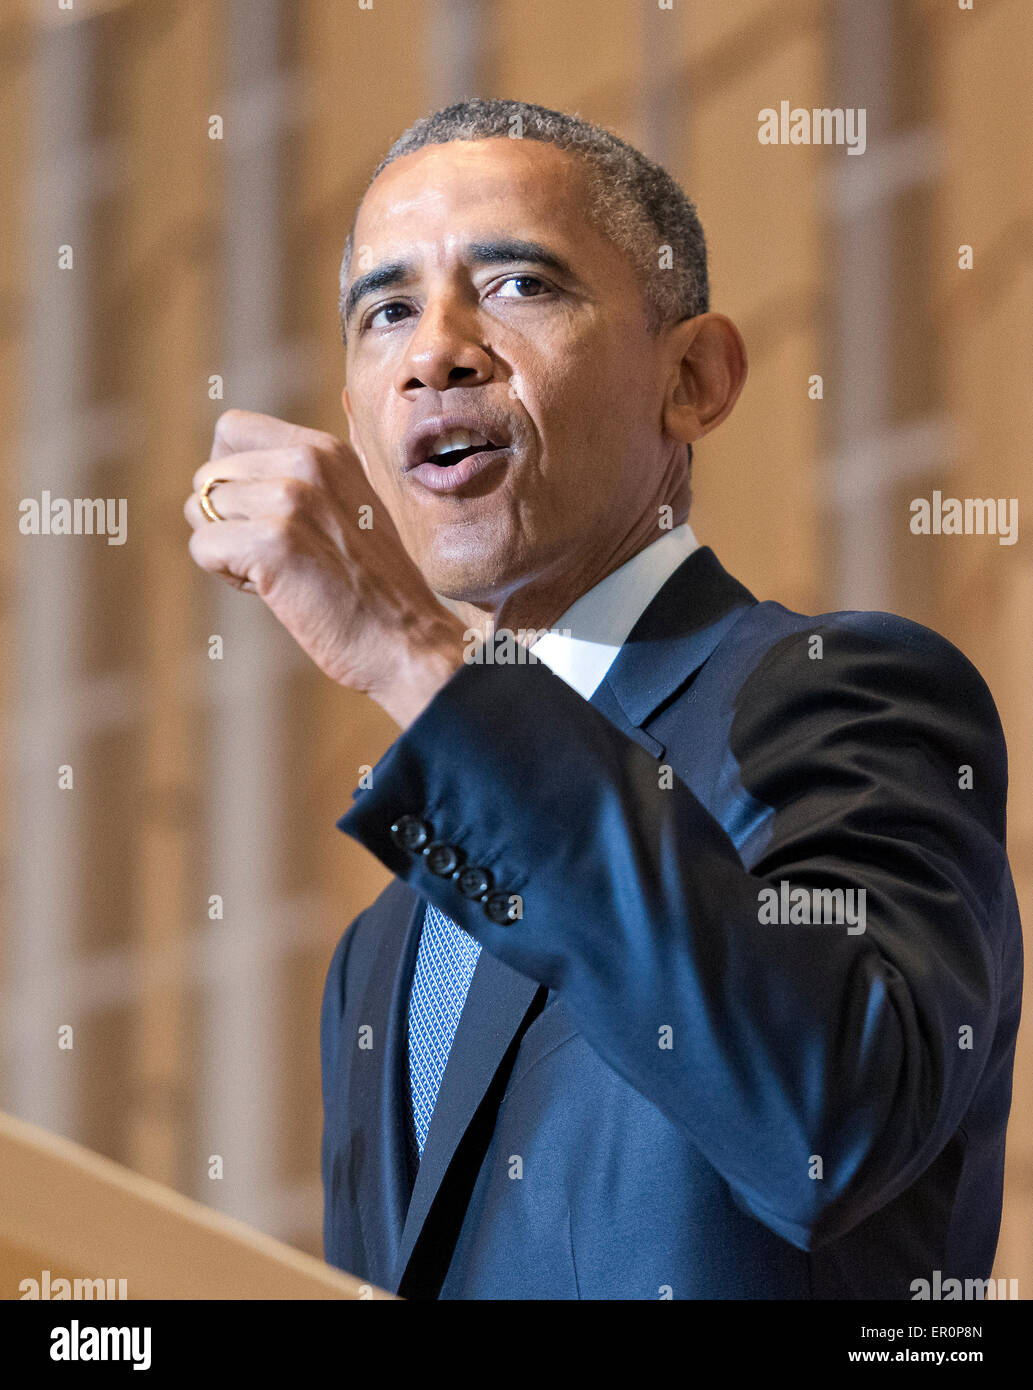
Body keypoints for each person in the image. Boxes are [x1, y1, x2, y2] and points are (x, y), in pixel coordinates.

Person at [184, 99, 1022, 1300]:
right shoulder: (383, 953)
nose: (436, 352)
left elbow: (831, 1122)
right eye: (386, 311)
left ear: (692, 379)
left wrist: (410, 651)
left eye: (518, 285)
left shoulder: (849, 702)